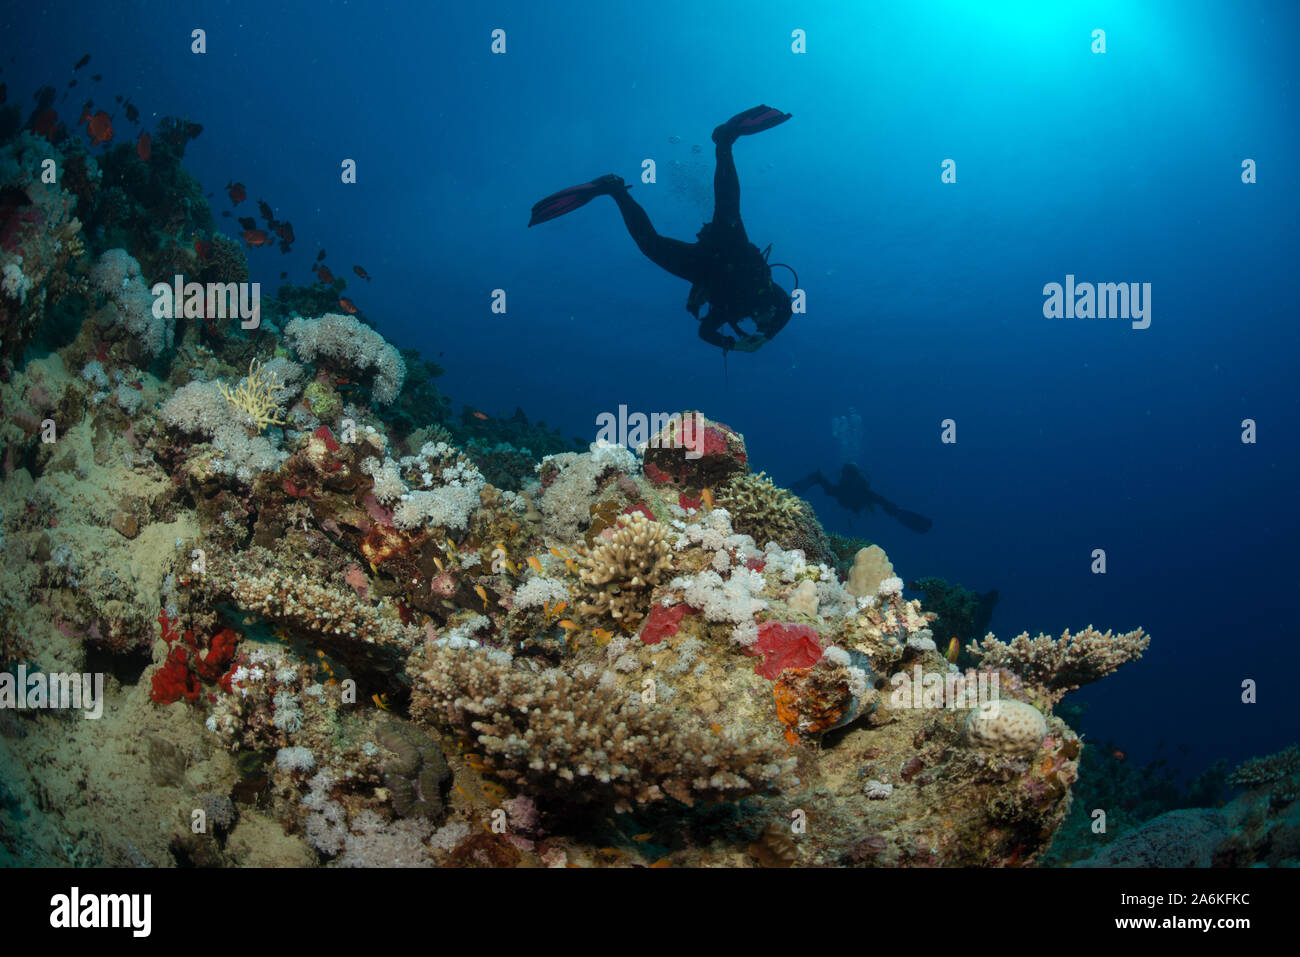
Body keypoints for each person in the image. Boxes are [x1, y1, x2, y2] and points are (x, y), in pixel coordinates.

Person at [529, 105, 795, 353]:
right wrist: (767, 336)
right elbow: (786, 310)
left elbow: (705, 331)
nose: (763, 318)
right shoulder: (772, 293)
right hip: (733, 250)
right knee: (728, 205)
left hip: (702, 267)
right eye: (767, 319)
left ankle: (614, 189)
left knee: (649, 245)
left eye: (758, 324)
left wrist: (733, 345)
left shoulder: (730, 312)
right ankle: (724, 141)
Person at [790, 464, 933, 533]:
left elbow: (829, 488)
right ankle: (900, 514)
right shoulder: (862, 490)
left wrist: (817, 478)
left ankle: (794, 490)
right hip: (857, 500)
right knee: (889, 507)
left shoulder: (849, 489)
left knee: (889, 507)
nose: (844, 476)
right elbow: (878, 499)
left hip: (851, 499)